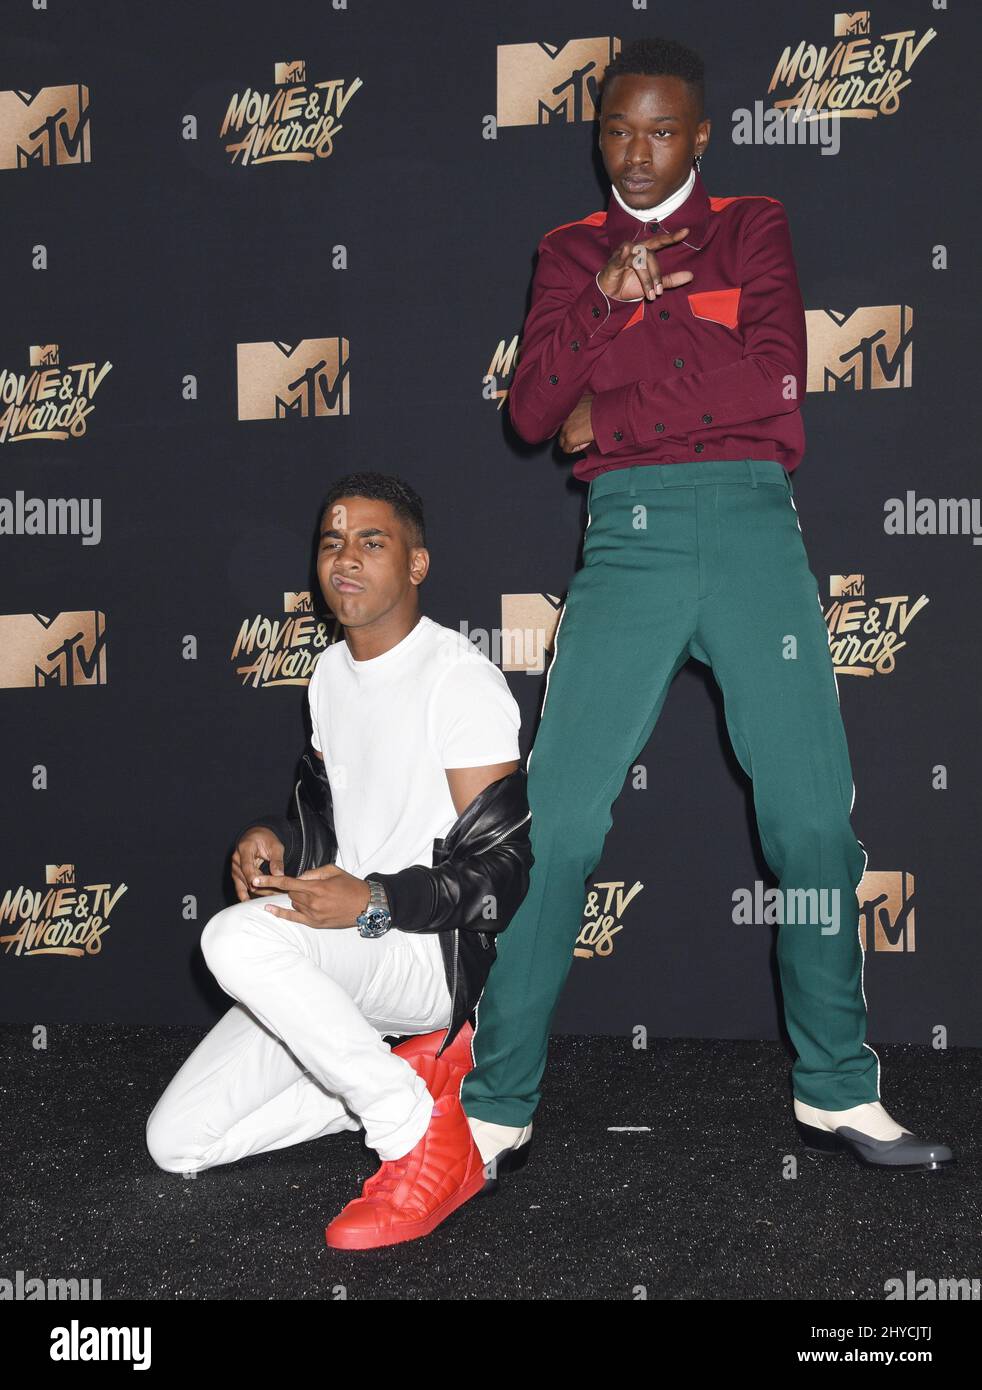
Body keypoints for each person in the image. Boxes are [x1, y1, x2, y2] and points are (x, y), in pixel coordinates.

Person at [458, 37, 954, 1175]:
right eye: (615, 132)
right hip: (626, 545)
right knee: (563, 821)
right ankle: (496, 1103)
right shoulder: (567, 250)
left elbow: (772, 383)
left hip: (748, 533)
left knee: (812, 823)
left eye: (659, 132)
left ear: (699, 136)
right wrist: (602, 306)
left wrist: (613, 409)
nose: (634, 157)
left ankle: (836, 1088)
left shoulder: (751, 225)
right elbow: (535, 412)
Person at [146, 472, 534, 1248]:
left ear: (416, 565)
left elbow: (505, 874)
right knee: (176, 1143)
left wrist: (375, 902)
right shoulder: (328, 674)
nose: (345, 558)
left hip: (425, 958)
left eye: (371, 541)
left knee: (232, 937)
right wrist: (274, 840)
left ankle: (412, 1132)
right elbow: (323, 823)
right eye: (332, 542)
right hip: (342, 957)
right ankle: (406, 1083)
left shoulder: (457, 680)